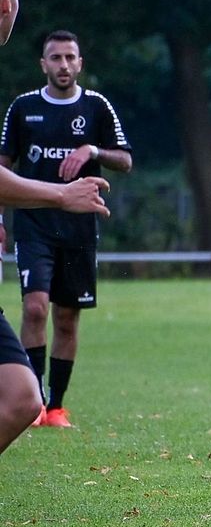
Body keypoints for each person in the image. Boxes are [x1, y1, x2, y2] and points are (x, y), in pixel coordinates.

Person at [0, 29, 133, 429]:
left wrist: (92, 151)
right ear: (43, 64)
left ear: (80, 64)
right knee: (35, 306)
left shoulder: (96, 107)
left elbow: (125, 161)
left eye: (69, 57)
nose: (62, 65)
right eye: (54, 58)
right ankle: (33, 399)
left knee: (67, 318)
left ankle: (55, 407)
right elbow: (3, 166)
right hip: (33, 225)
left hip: (78, 227)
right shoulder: (23, 109)